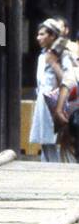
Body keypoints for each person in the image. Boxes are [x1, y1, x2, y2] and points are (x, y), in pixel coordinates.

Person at [28, 17, 78, 163]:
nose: (38, 38)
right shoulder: (42, 56)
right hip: (44, 104)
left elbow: (71, 81)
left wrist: (54, 64)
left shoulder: (64, 54)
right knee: (45, 141)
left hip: (58, 104)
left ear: (52, 36)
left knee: (58, 143)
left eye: (42, 34)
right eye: (38, 34)